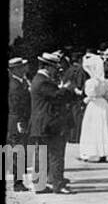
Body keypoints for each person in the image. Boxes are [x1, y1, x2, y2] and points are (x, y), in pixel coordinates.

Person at [29, 52, 79, 194]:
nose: (56, 70)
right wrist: (67, 88)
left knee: (42, 154)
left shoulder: (39, 79)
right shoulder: (43, 82)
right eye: (54, 67)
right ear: (48, 67)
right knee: (55, 154)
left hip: (42, 124)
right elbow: (58, 97)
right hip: (49, 124)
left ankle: (40, 184)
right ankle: (57, 184)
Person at [77, 54, 108, 162]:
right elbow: (107, 94)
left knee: (92, 129)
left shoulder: (91, 82)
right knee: (103, 129)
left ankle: (89, 152)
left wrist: (85, 100)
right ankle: (103, 153)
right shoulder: (107, 82)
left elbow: (90, 95)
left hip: (94, 105)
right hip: (103, 104)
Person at [7, 57, 31, 191]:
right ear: (15, 69)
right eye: (22, 67)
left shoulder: (20, 82)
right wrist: (21, 122)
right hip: (17, 122)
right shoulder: (15, 85)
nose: (25, 69)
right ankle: (18, 183)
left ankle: (19, 180)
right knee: (18, 152)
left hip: (18, 121)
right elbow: (16, 106)